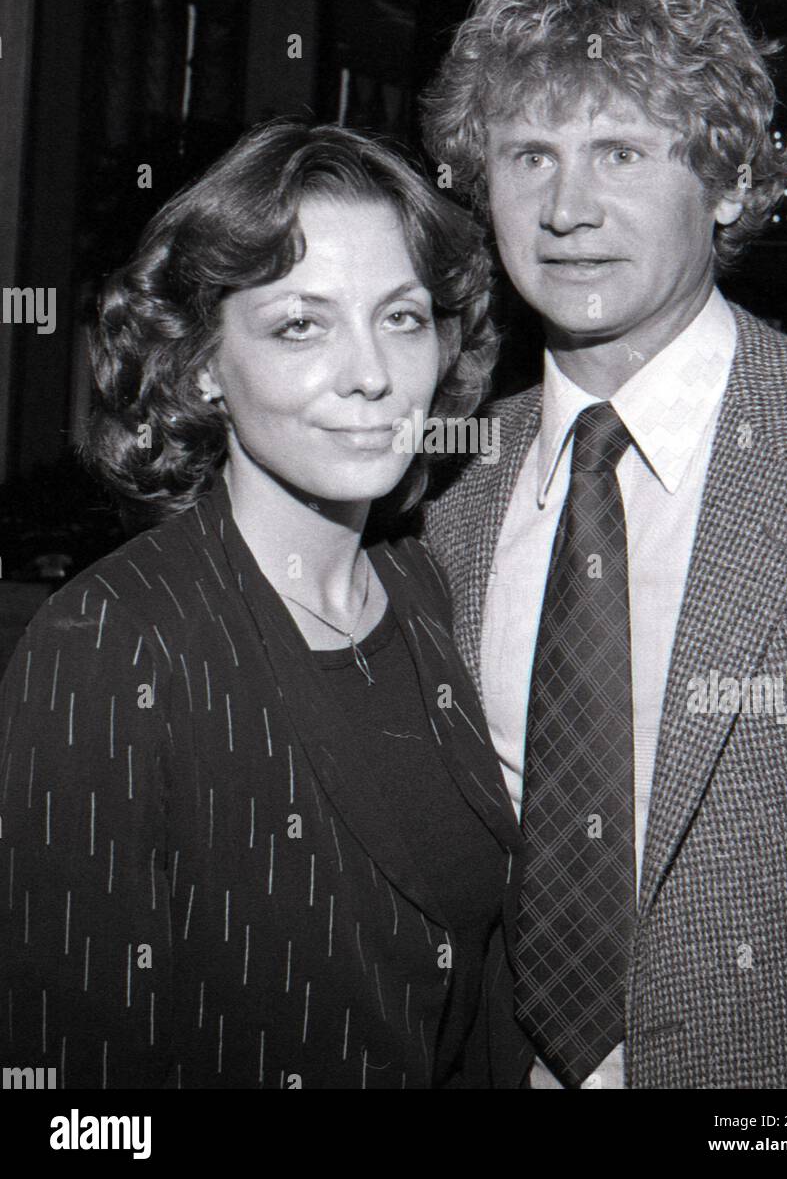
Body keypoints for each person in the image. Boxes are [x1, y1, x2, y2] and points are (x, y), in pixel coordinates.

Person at [420, 0, 787, 1090]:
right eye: (527, 155)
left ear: (729, 177)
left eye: (618, 150)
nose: (565, 207)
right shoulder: (438, 484)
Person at [0, 119, 533, 1089]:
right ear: (203, 361)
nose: (369, 372)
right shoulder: (113, 643)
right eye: (301, 323)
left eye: (401, 317)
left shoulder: (418, 583)